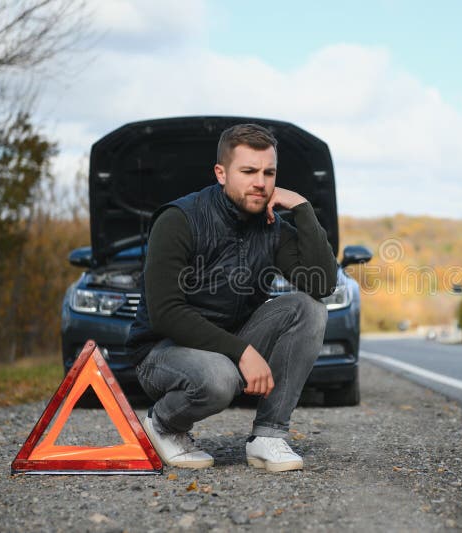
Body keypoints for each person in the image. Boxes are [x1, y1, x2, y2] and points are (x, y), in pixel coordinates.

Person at [126, 123, 337, 472]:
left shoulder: (272, 227)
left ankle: (268, 436)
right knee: (219, 377)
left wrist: (302, 208)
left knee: (308, 308)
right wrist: (243, 352)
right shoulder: (179, 219)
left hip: (228, 346)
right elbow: (166, 313)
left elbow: (322, 284)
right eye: (249, 171)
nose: (261, 182)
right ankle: (163, 424)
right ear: (221, 173)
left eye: (269, 173)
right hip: (162, 352)